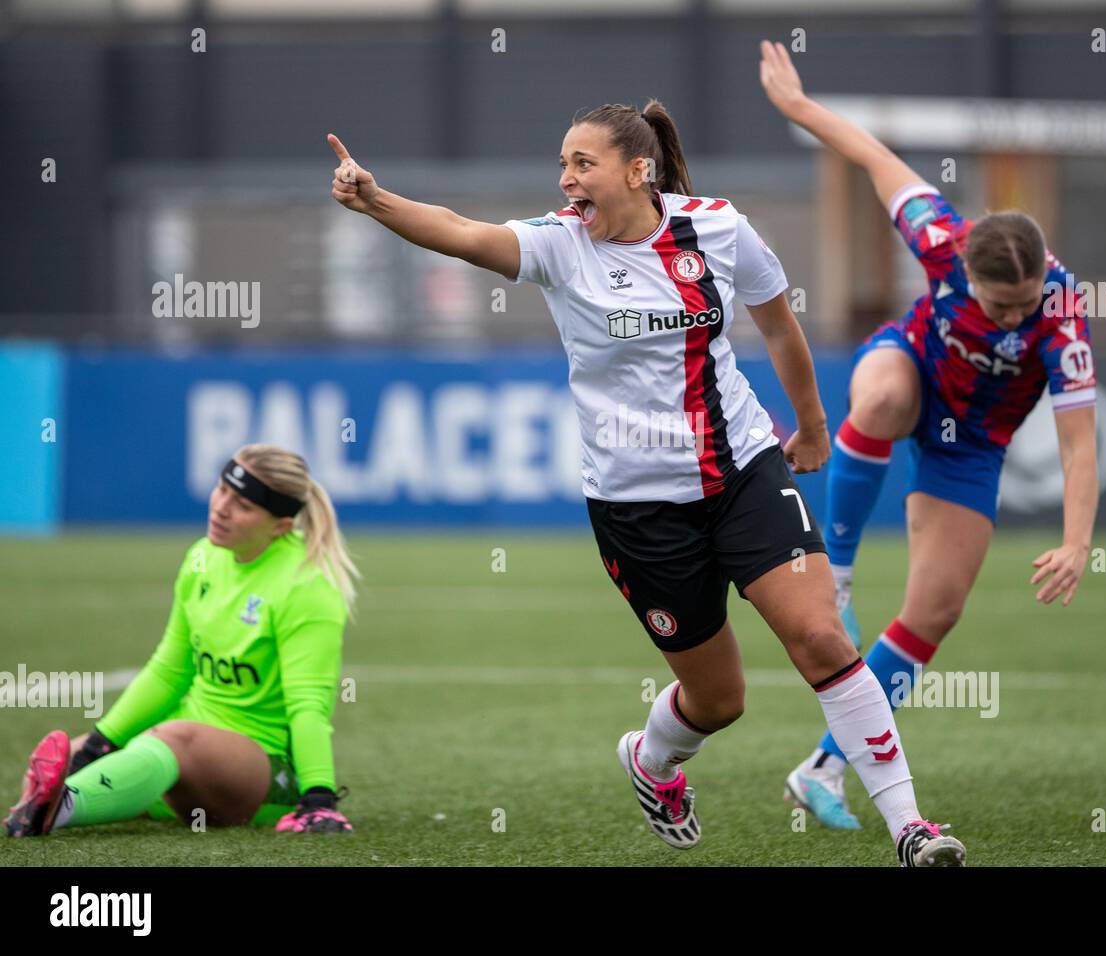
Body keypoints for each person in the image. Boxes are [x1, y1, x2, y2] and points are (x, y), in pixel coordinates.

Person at [324, 99, 965, 864]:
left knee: (821, 636)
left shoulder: (720, 227)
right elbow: (462, 233)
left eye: (582, 164)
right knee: (720, 701)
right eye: (562, 165)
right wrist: (374, 199)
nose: (566, 180)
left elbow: (779, 322)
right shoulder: (562, 246)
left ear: (637, 170)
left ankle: (910, 829)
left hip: (741, 472)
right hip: (637, 510)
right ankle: (653, 760)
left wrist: (814, 424)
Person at [759, 39, 1099, 829]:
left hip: (974, 444)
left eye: (1022, 304)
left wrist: (1077, 541)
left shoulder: (1063, 310)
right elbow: (873, 155)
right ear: (965, 270)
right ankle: (835, 578)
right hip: (911, 372)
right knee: (874, 398)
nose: (1013, 316)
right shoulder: (942, 238)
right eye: (997, 304)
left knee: (933, 613)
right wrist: (798, 107)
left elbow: (1079, 443)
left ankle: (823, 768)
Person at [4, 446, 359, 837]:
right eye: (221, 490)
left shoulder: (307, 586)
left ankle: (59, 808)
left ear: (280, 525)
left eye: (242, 504)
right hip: (184, 746)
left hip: (263, 772)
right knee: (69, 754)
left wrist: (318, 798)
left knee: (173, 739)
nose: (221, 508)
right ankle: (43, 808)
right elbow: (169, 670)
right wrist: (97, 745)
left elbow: (309, 705)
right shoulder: (202, 558)